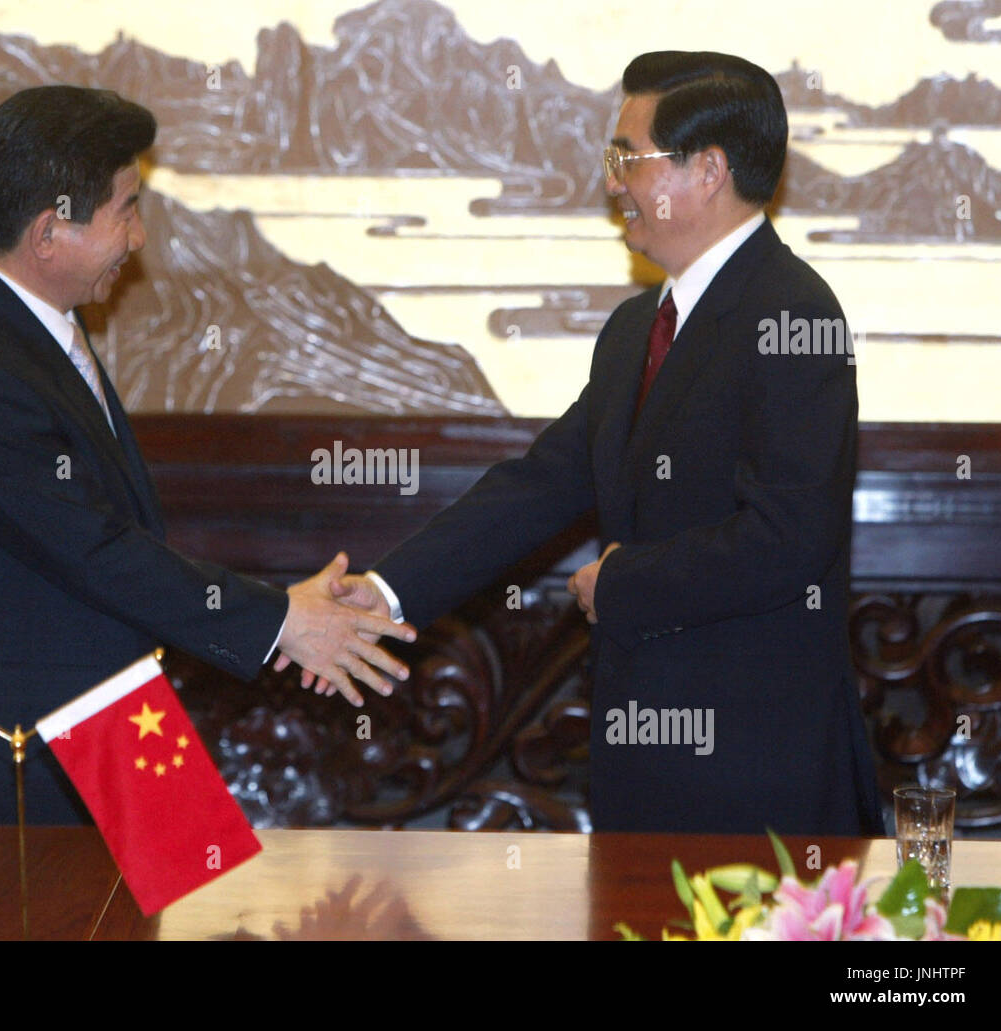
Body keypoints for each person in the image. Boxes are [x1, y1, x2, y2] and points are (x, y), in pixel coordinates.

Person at [298, 51, 884, 836]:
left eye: (628, 158)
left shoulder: (795, 315)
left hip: (754, 770)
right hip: (641, 761)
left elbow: (789, 538)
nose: (613, 183)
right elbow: (542, 483)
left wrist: (621, 583)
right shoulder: (636, 328)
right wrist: (390, 591)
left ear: (707, 170)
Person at [0, 85, 412, 824]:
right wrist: (279, 620)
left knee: (170, 911)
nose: (138, 238)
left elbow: (107, 541)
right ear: (49, 232)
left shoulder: (29, 326)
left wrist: (281, 614)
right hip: (9, 761)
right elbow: (95, 551)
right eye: (126, 209)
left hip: (101, 719)